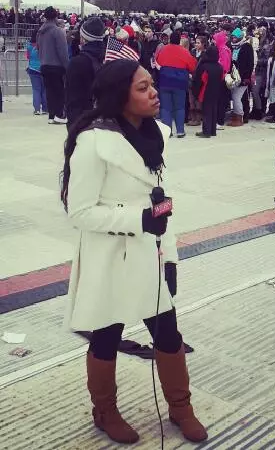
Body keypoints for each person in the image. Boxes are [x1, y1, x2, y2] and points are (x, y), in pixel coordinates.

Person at [60, 59, 208, 445]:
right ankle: (105, 411)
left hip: (149, 252)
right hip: (109, 255)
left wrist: (170, 254)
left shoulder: (158, 133)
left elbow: (159, 202)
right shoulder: (93, 142)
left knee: (168, 331)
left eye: (151, 84)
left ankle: (180, 407)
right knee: (107, 334)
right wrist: (138, 219)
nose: (154, 92)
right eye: (142, 88)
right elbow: (80, 212)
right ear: (119, 96)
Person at [65, 18, 106, 128]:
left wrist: (73, 127)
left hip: (83, 121)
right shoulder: (107, 58)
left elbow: (73, 100)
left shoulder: (77, 63)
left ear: (83, 39)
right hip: (105, 121)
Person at [155, 31, 197, 138]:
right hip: (180, 82)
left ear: (169, 39)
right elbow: (192, 66)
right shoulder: (184, 51)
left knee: (165, 107)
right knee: (179, 107)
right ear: (179, 40)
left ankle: (167, 131)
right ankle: (180, 131)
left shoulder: (163, 49)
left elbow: (158, 61)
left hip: (165, 80)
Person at [37, 6, 69, 124]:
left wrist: (42, 61)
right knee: (59, 91)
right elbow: (63, 51)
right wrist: (67, 66)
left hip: (44, 64)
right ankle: (59, 115)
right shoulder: (57, 31)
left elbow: (38, 48)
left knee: (49, 91)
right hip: (56, 66)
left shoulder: (40, 31)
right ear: (56, 16)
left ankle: (51, 115)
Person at [192, 45, 223, 138]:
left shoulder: (204, 66)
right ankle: (212, 130)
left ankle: (206, 131)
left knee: (206, 111)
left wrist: (196, 92)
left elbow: (200, 80)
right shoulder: (219, 67)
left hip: (205, 91)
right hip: (216, 91)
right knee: (214, 110)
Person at [228, 27, 254, 127]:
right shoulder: (232, 47)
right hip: (234, 76)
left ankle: (239, 116)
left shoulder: (246, 46)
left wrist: (246, 77)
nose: (233, 39)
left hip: (243, 77)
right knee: (234, 96)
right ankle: (235, 115)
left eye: (235, 37)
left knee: (236, 97)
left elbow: (250, 63)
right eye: (232, 37)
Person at [26, 28, 48, 115]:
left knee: (36, 89)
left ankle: (37, 109)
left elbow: (28, 57)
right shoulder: (45, 45)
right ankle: (45, 108)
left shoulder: (29, 45)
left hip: (32, 69)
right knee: (44, 90)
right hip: (43, 68)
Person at [214, 30, 232, 130]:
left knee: (221, 100)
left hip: (222, 79)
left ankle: (220, 121)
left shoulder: (223, 50)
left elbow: (224, 66)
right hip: (221, 78)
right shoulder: (221, 49)